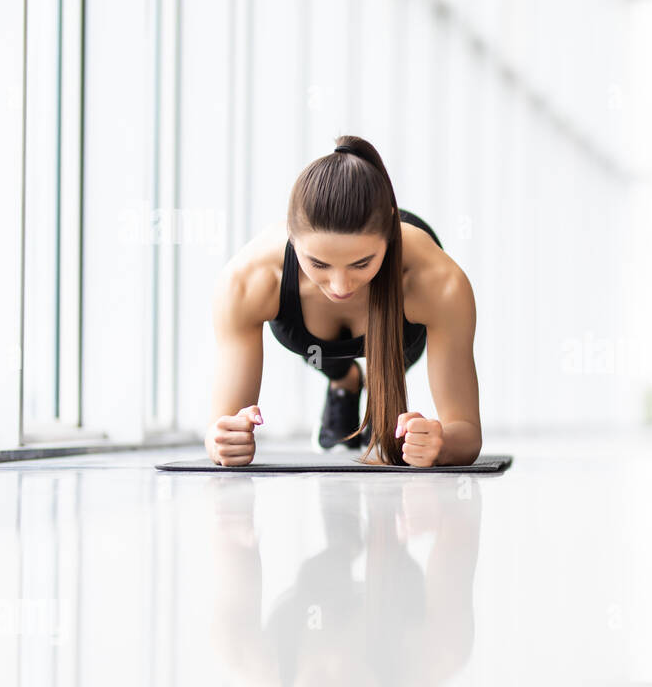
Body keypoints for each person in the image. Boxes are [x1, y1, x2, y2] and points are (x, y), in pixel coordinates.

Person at [206, 135, 481, 467]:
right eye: (318, 264)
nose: (339, 287)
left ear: (390, 238)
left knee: (385, 376)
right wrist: (224, 440)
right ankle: (345, 382)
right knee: (322, 355)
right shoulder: (248, 280)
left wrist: (439, 443)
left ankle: (372, 392)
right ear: (292, 237)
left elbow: (466, 434)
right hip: (312, 343)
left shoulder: (437, 282)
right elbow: (218, 427)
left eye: (361, 264)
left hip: (398, 338)